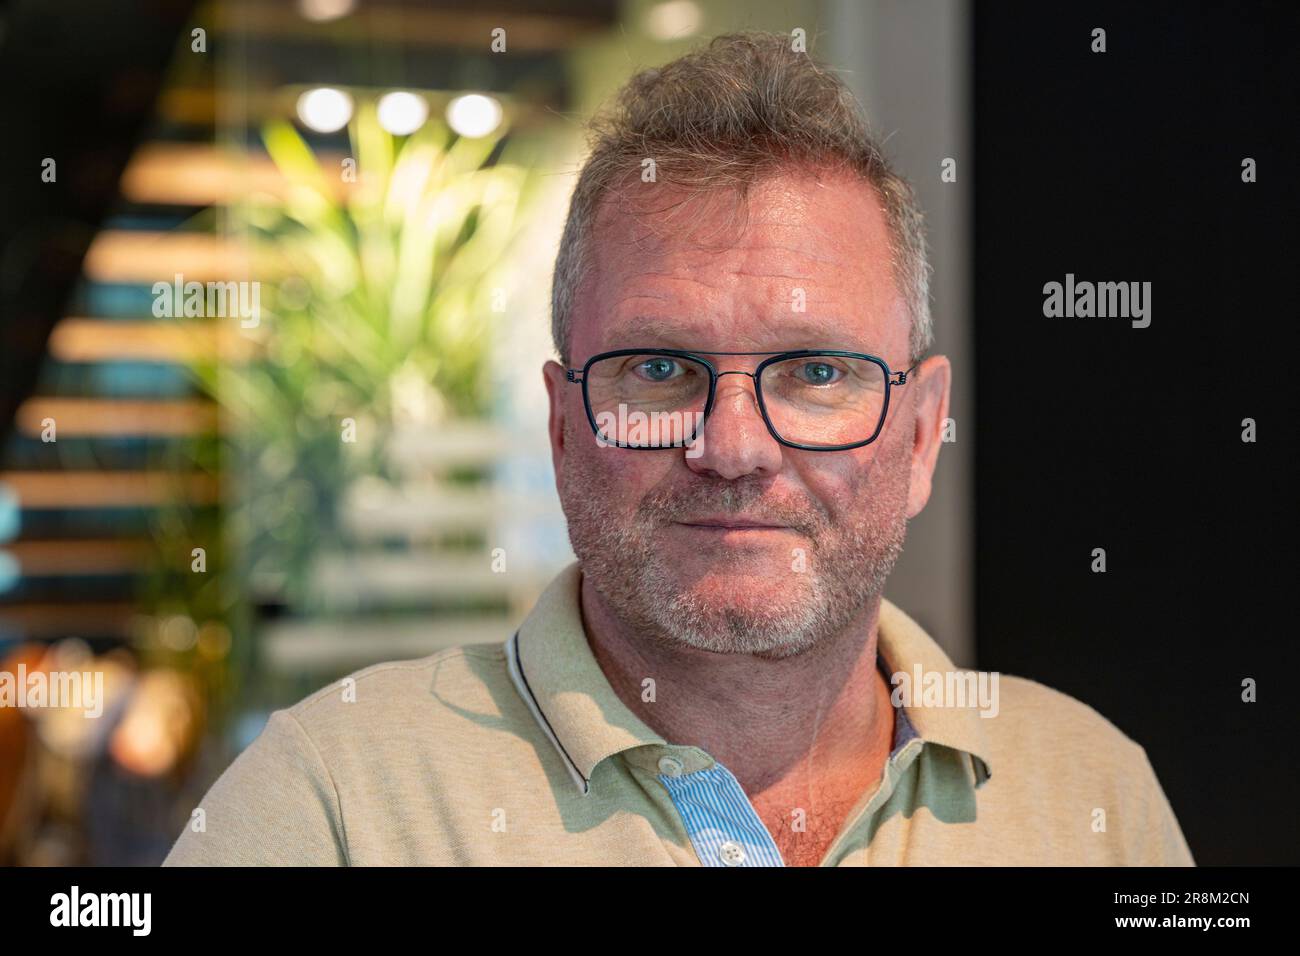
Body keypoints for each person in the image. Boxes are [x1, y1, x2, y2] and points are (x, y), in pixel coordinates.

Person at [164, 31, 1193, 867]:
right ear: (562, 426)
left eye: (816, 371)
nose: (733, 446)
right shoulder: (336, 806)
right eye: (658, 369)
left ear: (921, 433)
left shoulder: (1092, 792)